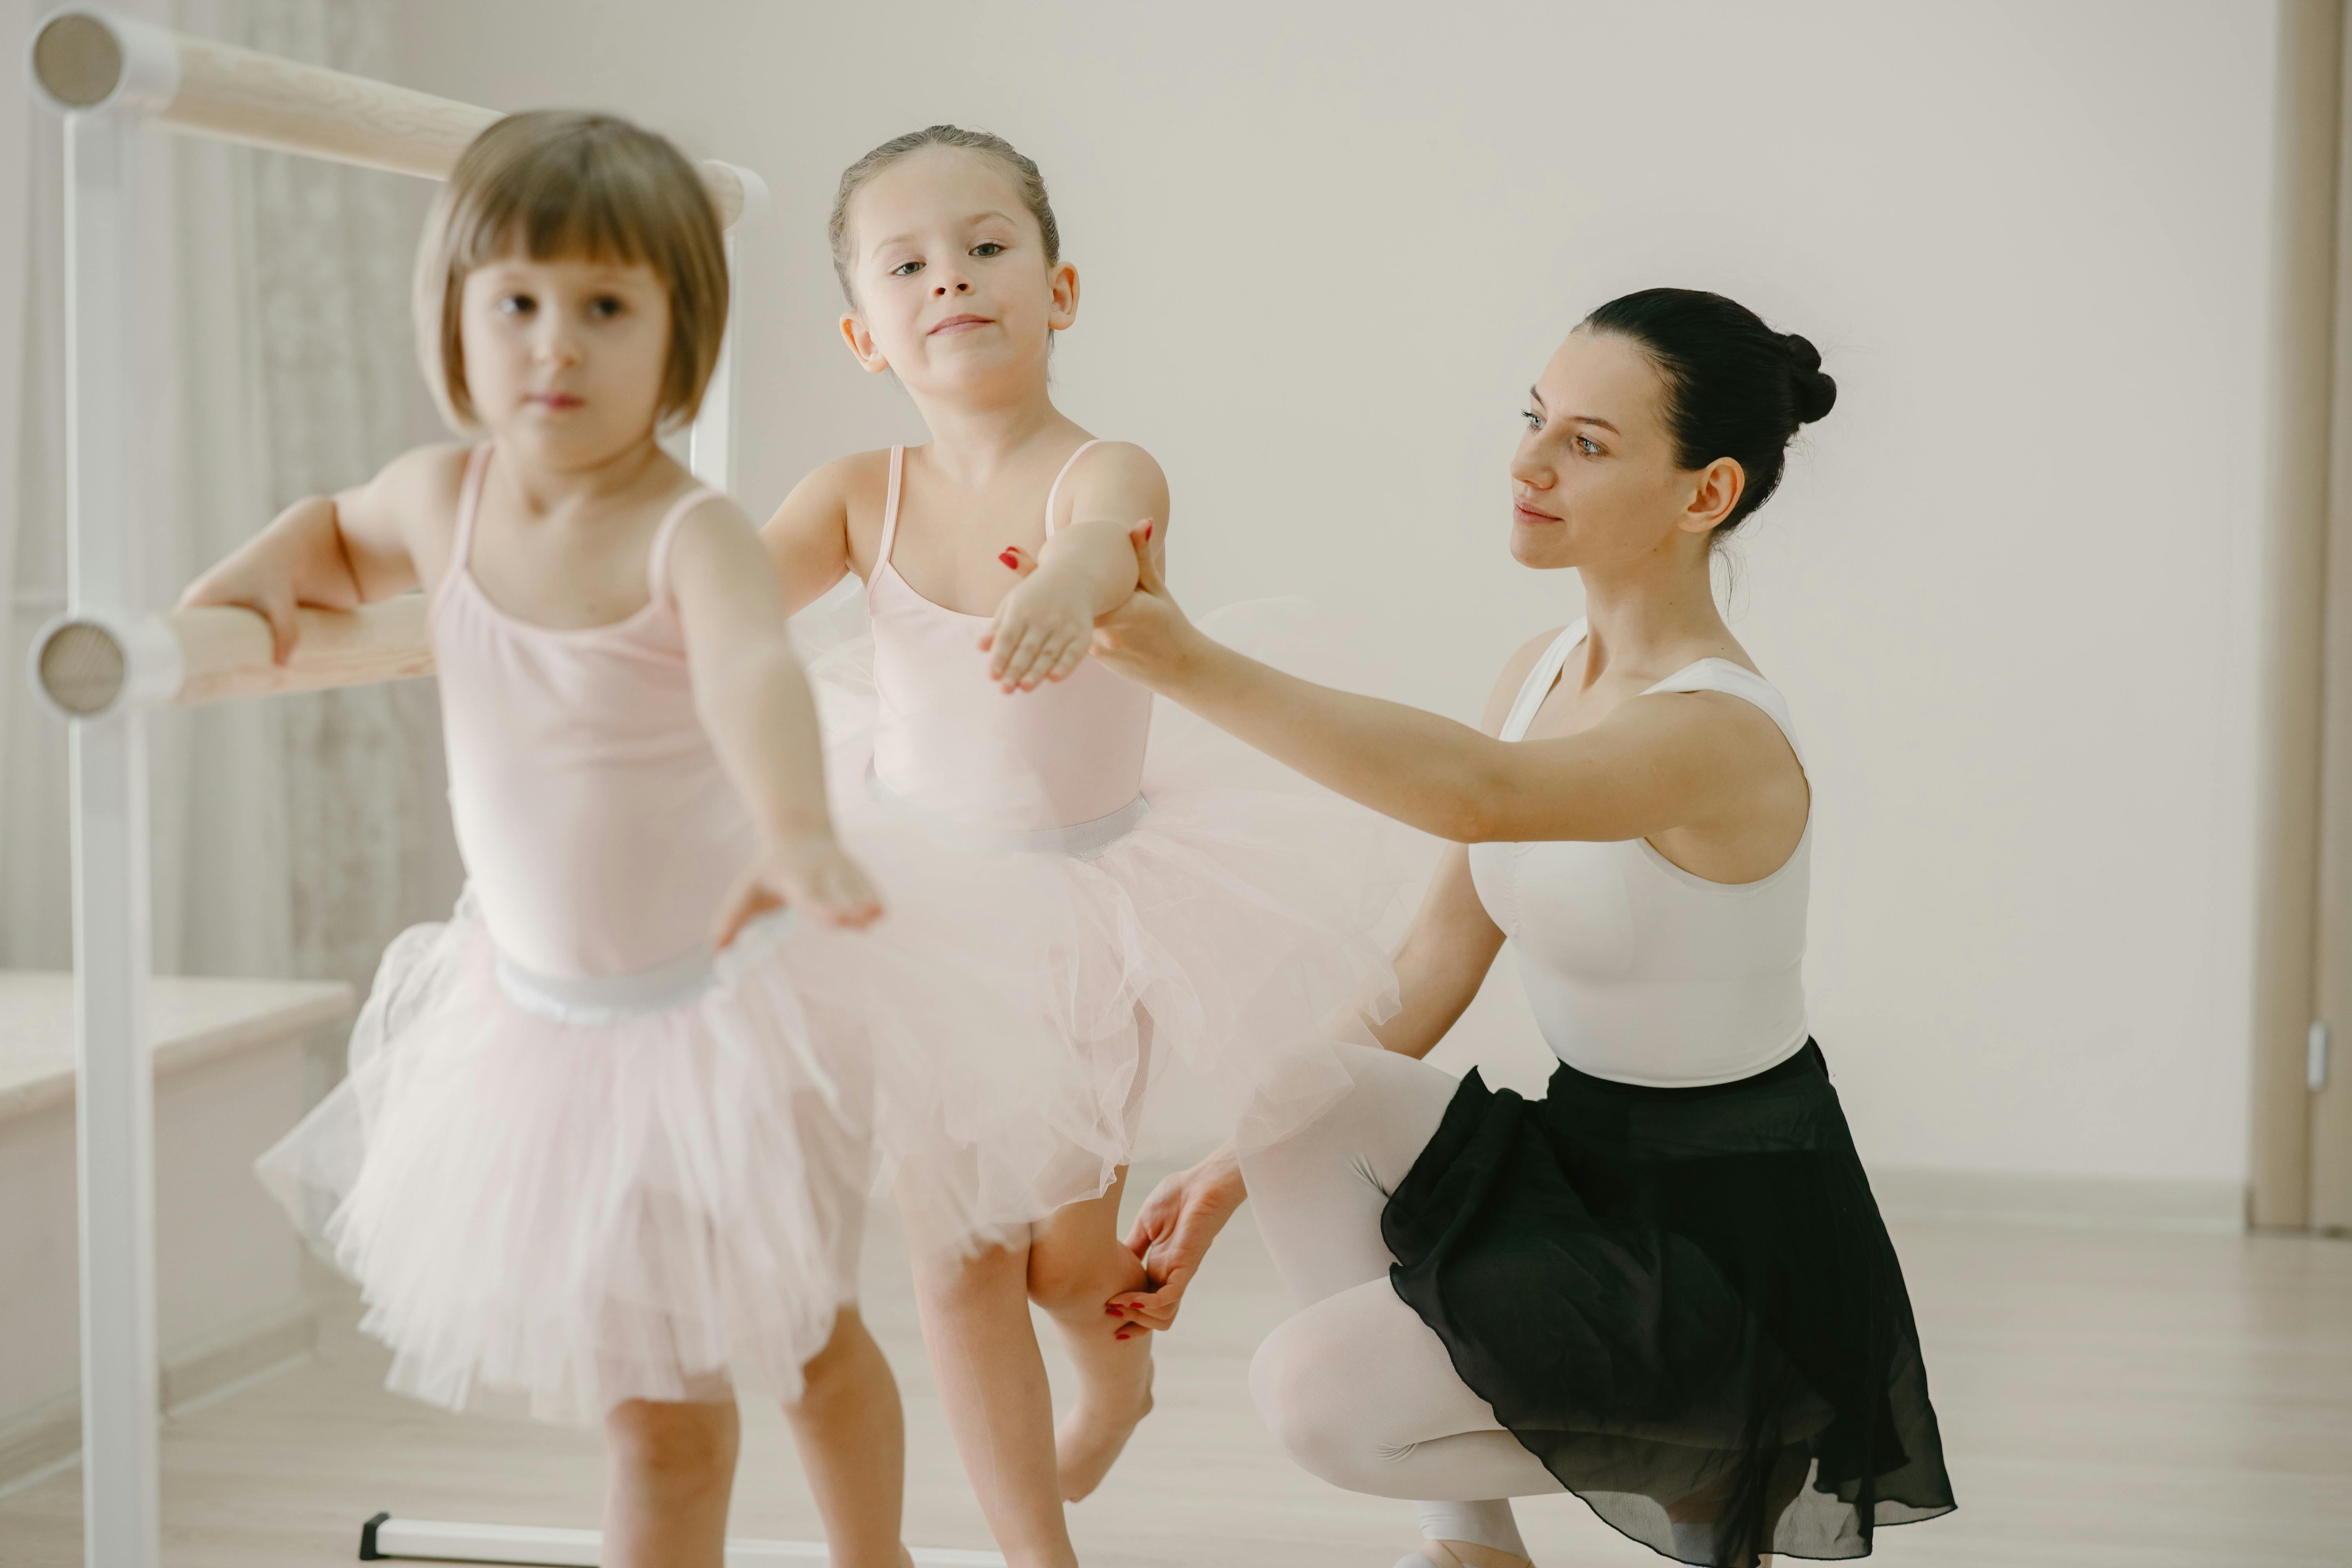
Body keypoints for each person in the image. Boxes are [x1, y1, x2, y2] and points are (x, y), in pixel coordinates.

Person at [193, 112, 985, 1568]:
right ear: (459, 322)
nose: (555, 345)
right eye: (518, 304)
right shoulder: (444, 498)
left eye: (605, 309)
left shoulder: (689, 536)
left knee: (807, 1346)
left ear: (678, 340)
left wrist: (798, 828)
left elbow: (754, 673)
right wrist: (221, 610)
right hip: (544, 1036)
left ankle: (877, 1560)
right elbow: (323, 534)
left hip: (732, 1010)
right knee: (656, 1423)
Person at [1093, 289, 1957, 1568]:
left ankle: (1730, 1442)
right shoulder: (1541, 672)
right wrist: (1232, 1171)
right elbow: (1439, 953)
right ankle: (1472, 1550)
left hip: (1729, 1236)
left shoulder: (1717, 733)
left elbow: (1478, 795)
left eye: (1588, 444)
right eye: (1534, 419)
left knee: (1312, 1397)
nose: (1528, 463)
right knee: (1300, 1092)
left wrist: (1186, 664)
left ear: (1704, 493)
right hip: (1588, 1162)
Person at [759, 125, 1404, 1568]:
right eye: (909, 264)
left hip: (1084, 908)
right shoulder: (859, 494)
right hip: (918, 910)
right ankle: (1036, 1556)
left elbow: (1109, 537)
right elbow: (730, 590)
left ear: (1059, 289)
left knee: (1061, 1263)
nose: (953, 280)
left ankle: (1116, 1368)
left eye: (988, 247)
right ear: (867, 332)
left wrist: (1064, 575)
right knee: (954, 1260)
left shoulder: (1101, 471)